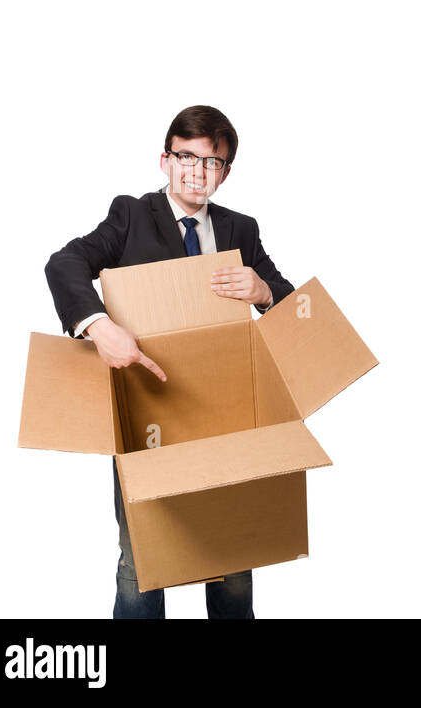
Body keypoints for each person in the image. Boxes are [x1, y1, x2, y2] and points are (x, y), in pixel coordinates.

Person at [44, 105, 295, 618]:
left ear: (226, 172)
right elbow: (65, 263)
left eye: (213, 163)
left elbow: (294, 311)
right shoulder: (132, 215)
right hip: (148, 414)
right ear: (165, 159)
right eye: (188, 157)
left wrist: (265, 290)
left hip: (224, 416)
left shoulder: (240, 230)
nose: (198, 173)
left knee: (233, 558)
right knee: (142, 561)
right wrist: (98, 325)